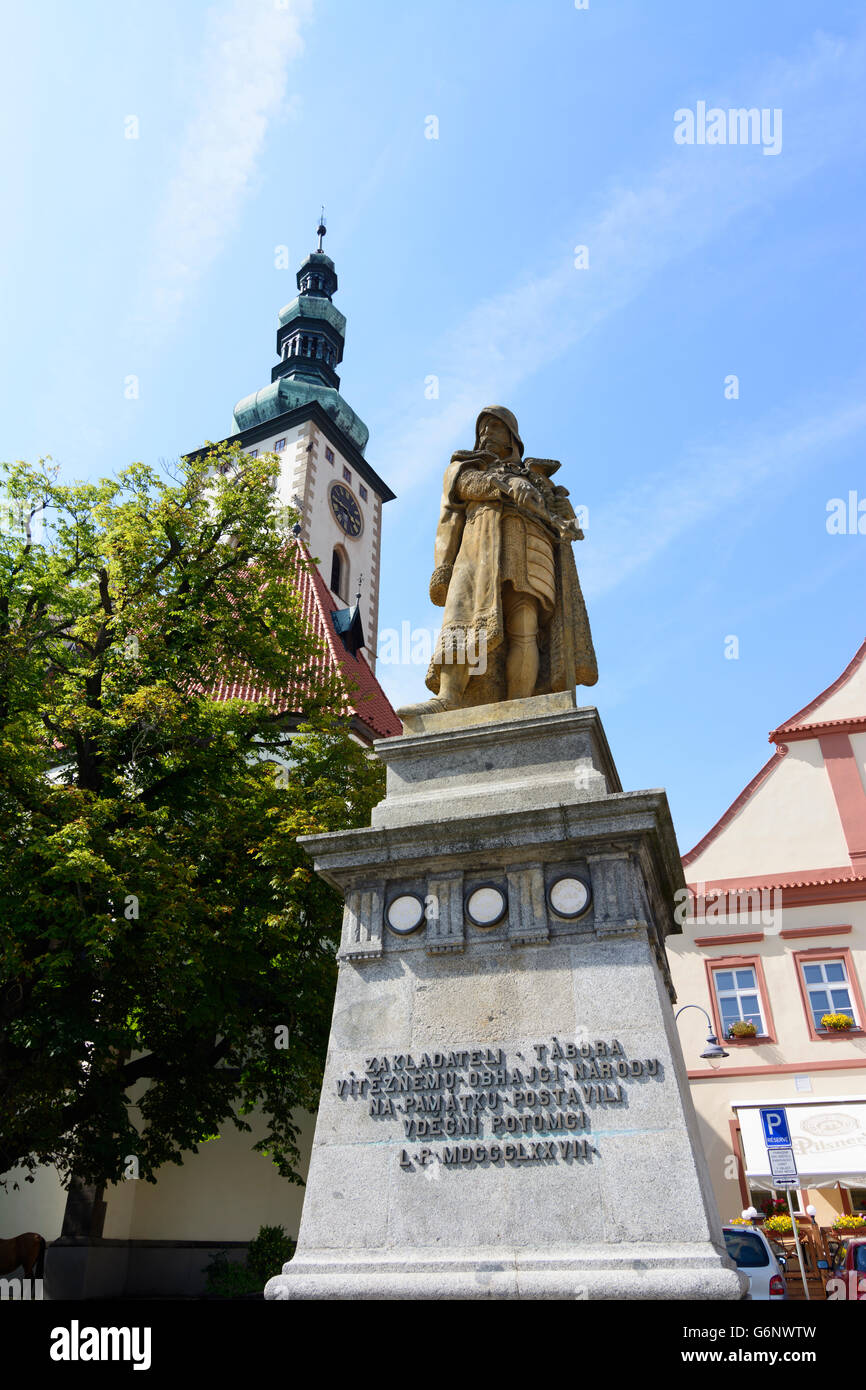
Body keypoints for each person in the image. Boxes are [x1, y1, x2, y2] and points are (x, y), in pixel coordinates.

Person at [399, 405, 597, 716]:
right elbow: (465, 487)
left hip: (533, 547)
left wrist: (561, 514)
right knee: (461, 620)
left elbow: (566, 521)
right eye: (482, 430)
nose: (485, 435)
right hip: (478, 548)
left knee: (525, 625)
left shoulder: (540, 478)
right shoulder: (470, 465)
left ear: (512, 437)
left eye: (494, 428)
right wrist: (506, 484)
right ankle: (449, 696)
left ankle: (520, 703)